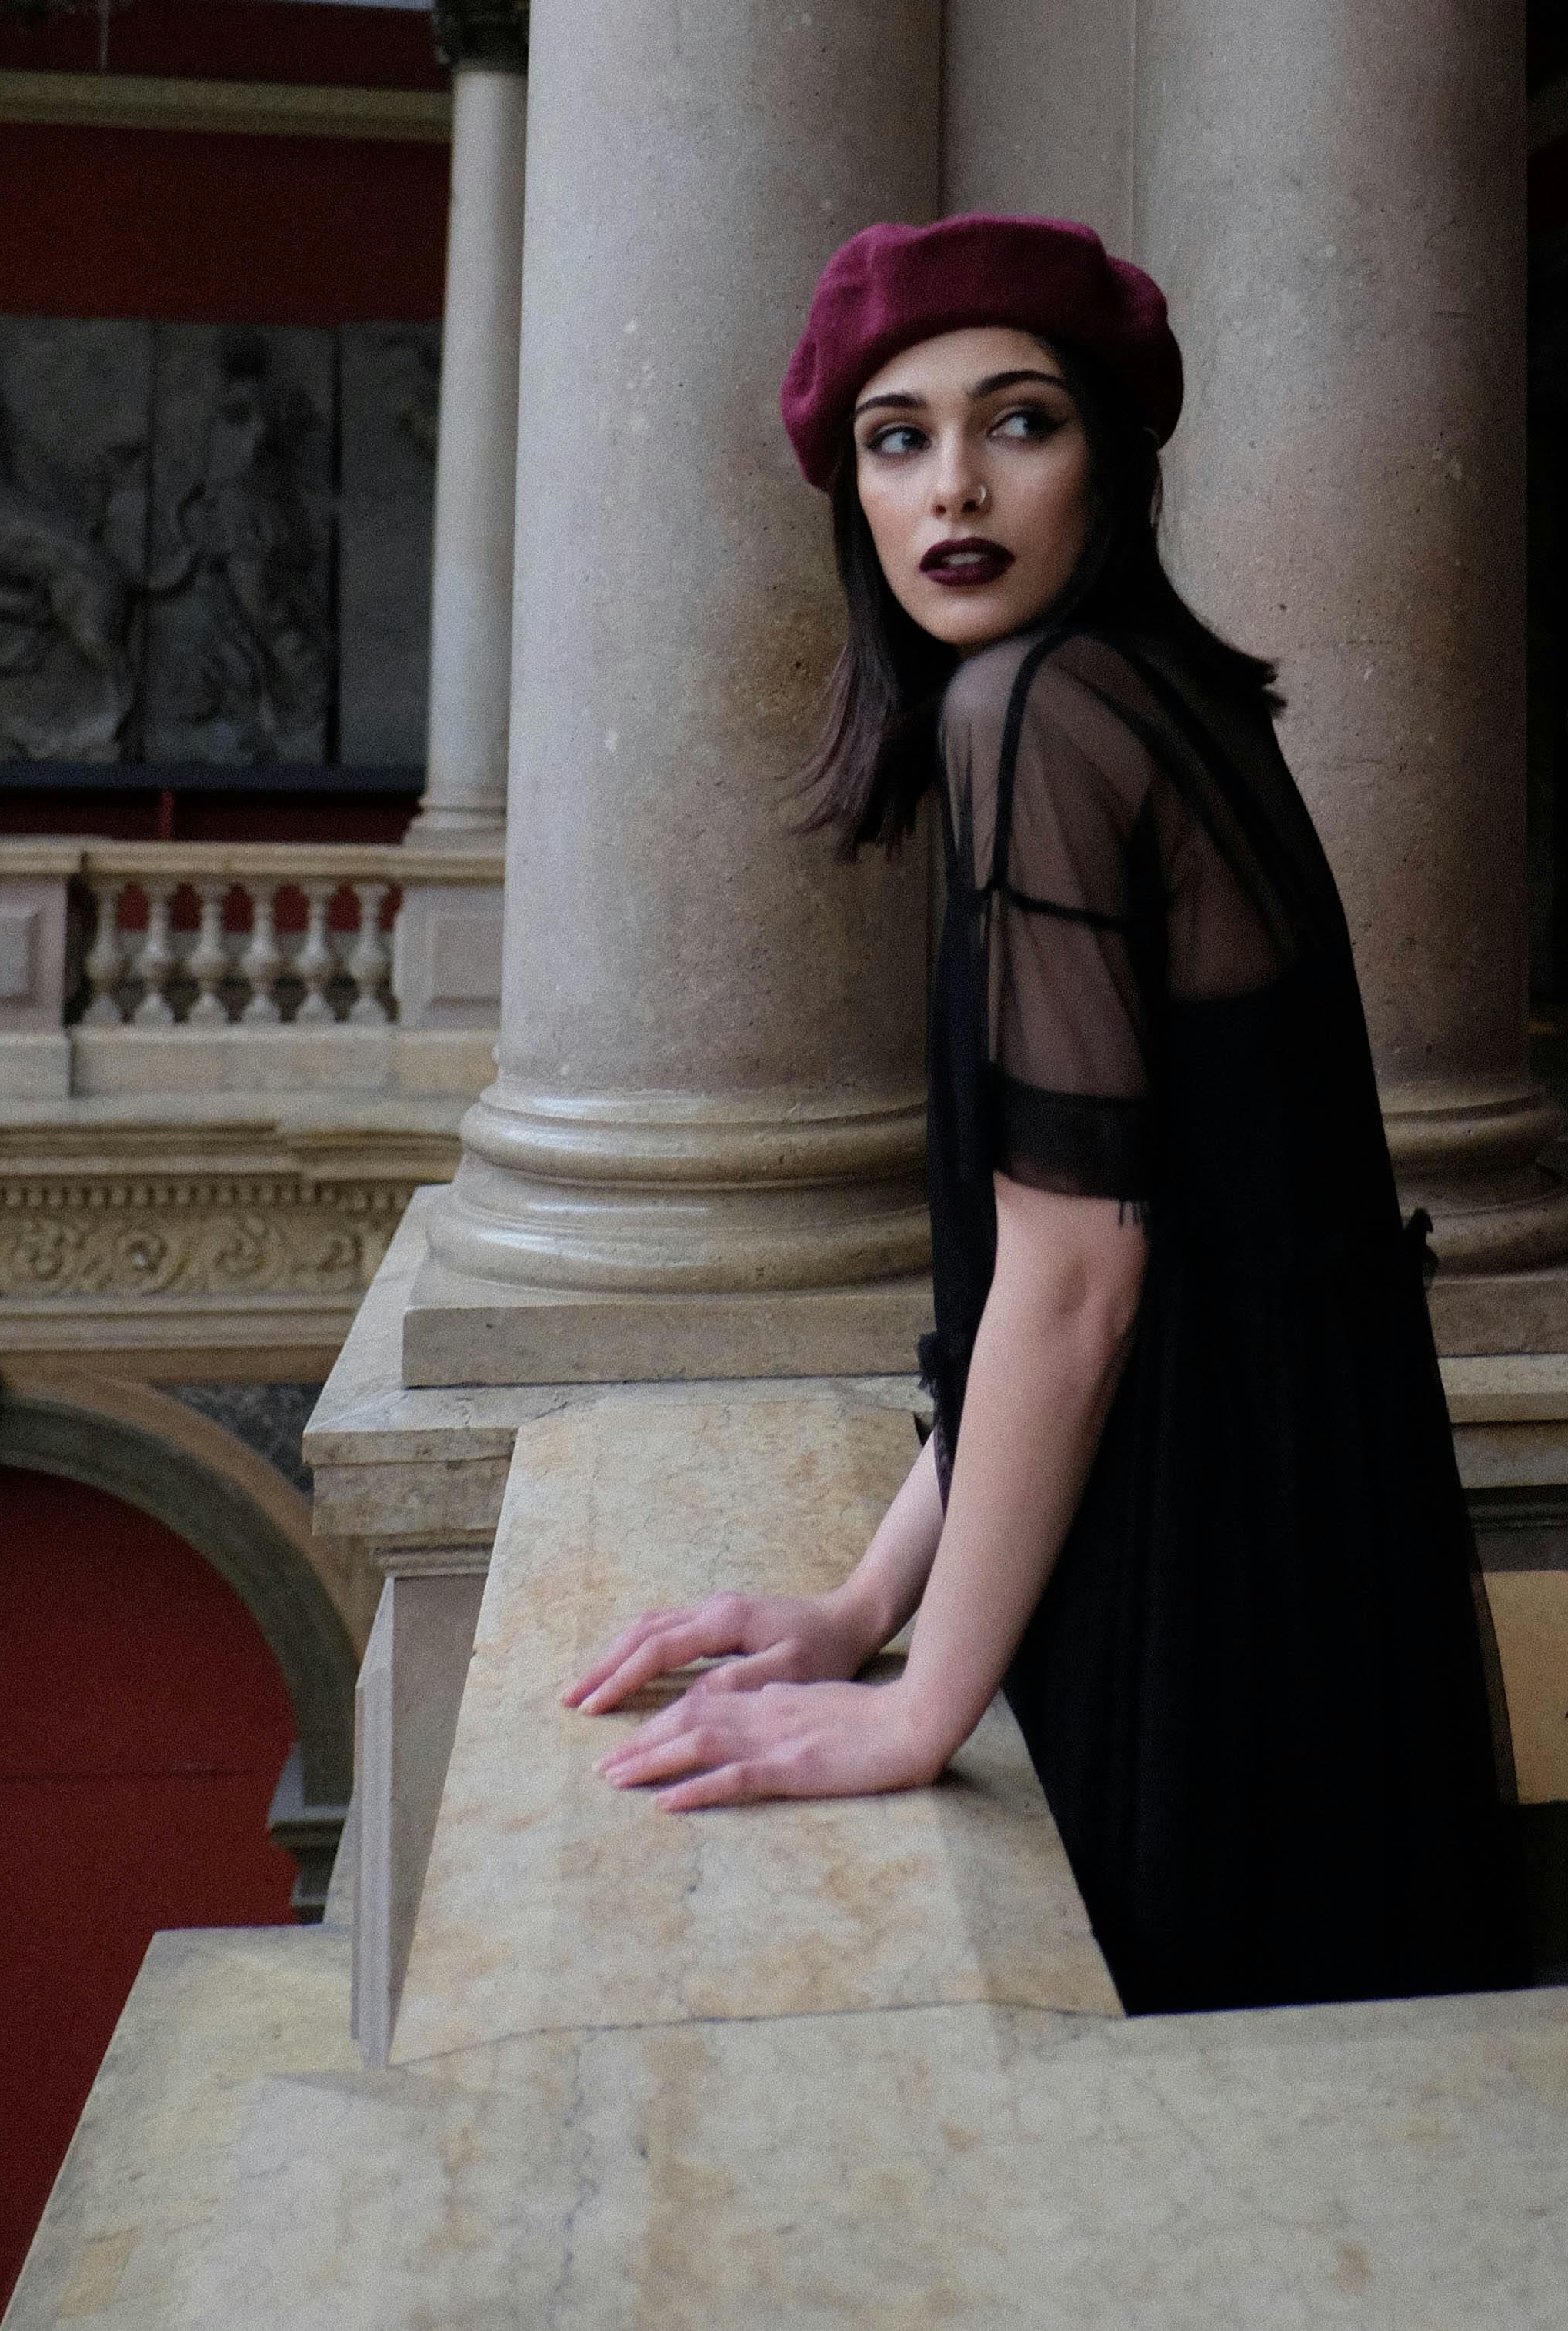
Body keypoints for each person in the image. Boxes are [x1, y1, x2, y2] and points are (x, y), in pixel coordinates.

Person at [567, 212, 1516, 2014]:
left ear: (1114, 460)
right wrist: (859, 1605)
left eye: (1020, 421)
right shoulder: (1154, 701)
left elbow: (1079, 1278)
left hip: (1205, 1562)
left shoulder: (1033, 712)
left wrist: (918, 1701)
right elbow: (1064, 1262)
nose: (953, 489)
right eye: (896, 438)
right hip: (1309, 1516)